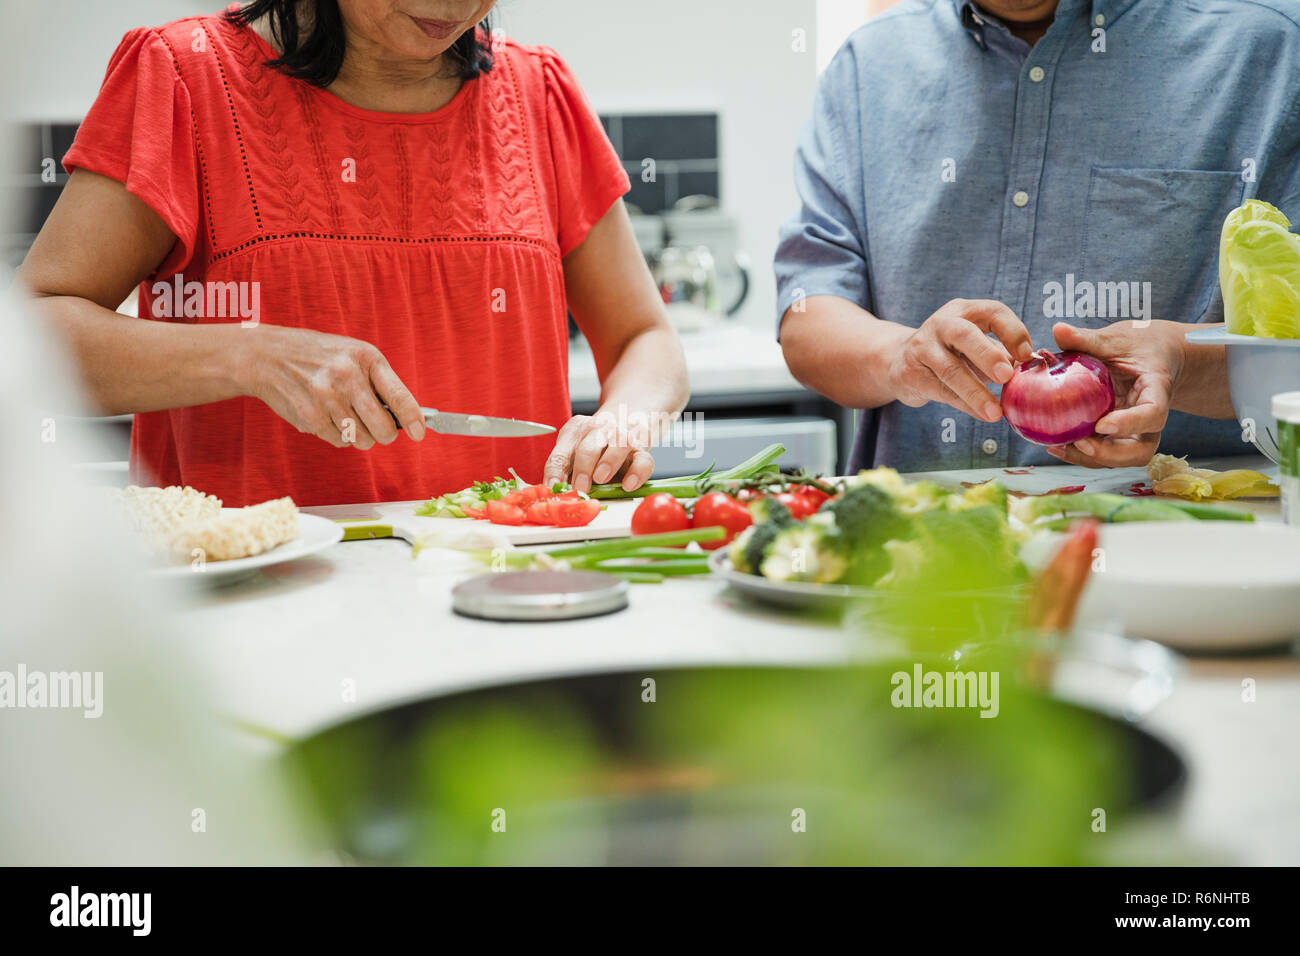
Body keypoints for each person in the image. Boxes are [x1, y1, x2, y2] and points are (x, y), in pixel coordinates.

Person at [20, 0, 687, 507]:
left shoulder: (539, 93)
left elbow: (644, 335)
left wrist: (625, 419)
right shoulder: (186, 75)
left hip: (501, 587)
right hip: (262, 610)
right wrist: (252, 355)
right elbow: (30, 337)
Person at [776, 0, 1300, 471]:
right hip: (924, 543)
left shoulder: (1271, 50)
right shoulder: (869, 62)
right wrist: (902, 357)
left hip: (1184, 541)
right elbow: (808, 316)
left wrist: (1182, 363)